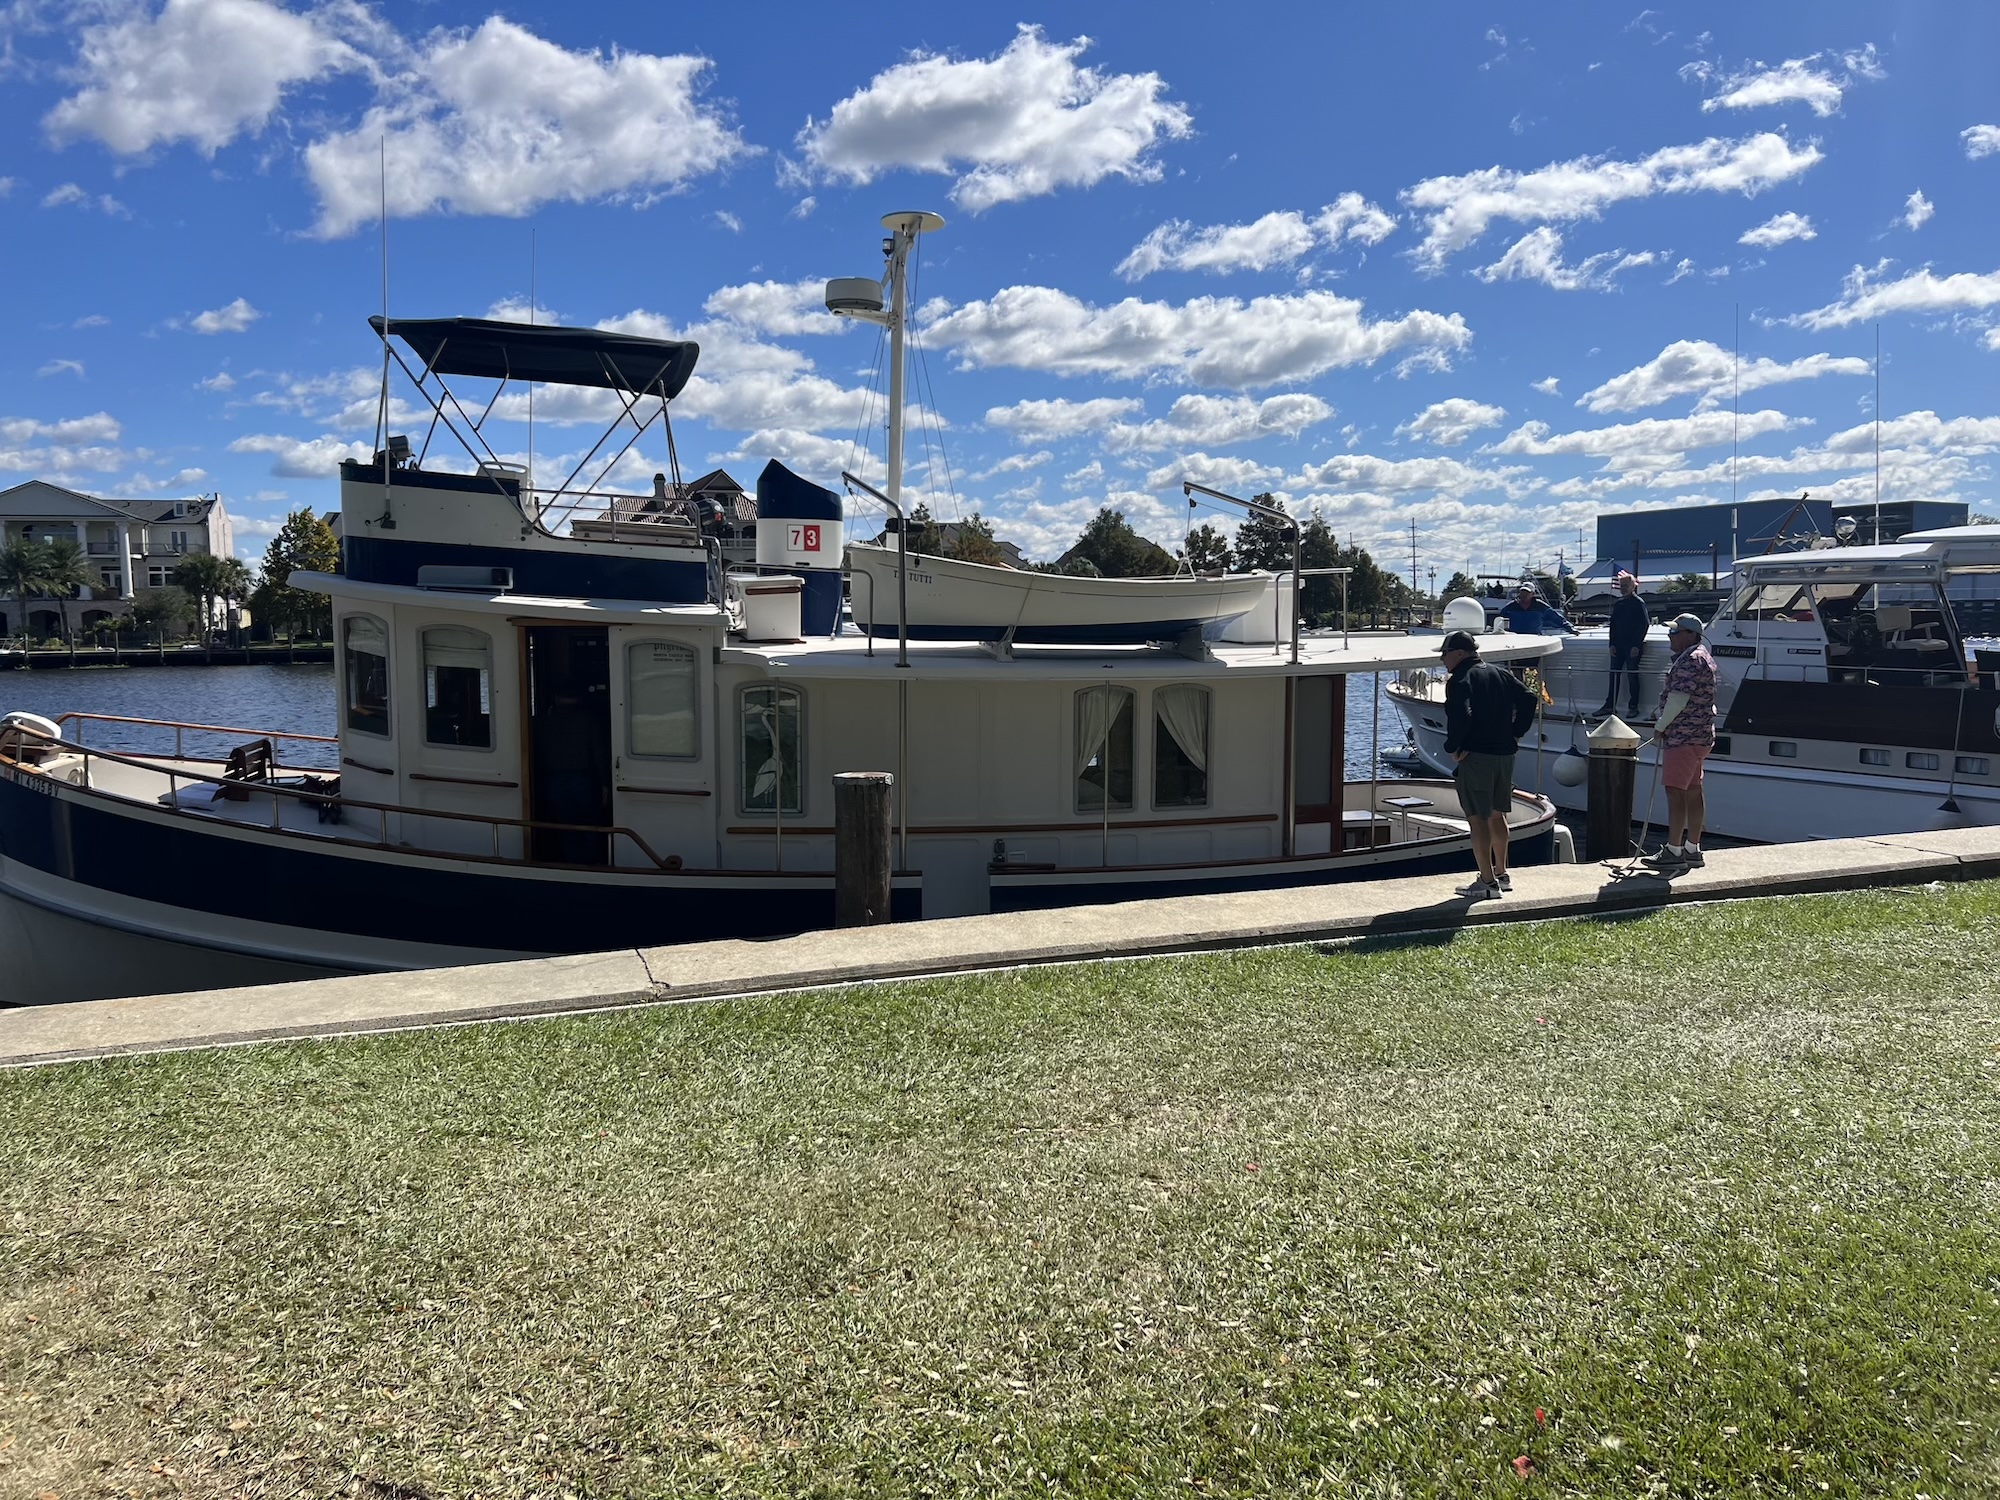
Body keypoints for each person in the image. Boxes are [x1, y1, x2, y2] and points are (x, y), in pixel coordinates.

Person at [1440, 629, 1540, 899]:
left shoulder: (1460, 679)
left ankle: (1487, 882)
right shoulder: (1500, 673)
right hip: (1505, 754)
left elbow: (1461, 715)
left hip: (1477, 756)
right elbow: (1529, 698)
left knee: (1478, 818)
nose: (1442, 660)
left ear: (1459, 654)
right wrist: (1515, 732)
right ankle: (1501, 873)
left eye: (1445, 654)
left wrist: (1454, 747)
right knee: (1498, 814)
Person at [1646, 612, 1718, 871]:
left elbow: (1678, 698)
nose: (1670, 635)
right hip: (1701, 736)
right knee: (1693, 790)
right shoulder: (1703, 656)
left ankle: (1674, 850)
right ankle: (1692, 849)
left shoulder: (1689, 660)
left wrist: (1660, 727)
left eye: (1675, 632)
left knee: (1675, 792)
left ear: (1690, 635)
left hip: (1683, 737)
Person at [1595, 571, 1649, 719]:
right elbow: (1613, 625)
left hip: (1632, 647)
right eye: (1621, 585)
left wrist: (1636, 645)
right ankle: (1609, 706)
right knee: (1613, 675)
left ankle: (1633, 707)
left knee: (1632, 676)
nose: (1623, 588)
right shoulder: (1618, 604)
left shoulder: (1638, 603)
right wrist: (1611, 644)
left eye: (1626, 585)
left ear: (1633, 586)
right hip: (1617, 646)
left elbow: (1644, 625)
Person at [1496, 581, 1578, 635]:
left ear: (1533, 594)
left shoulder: (1540, 606)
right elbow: (1498, 622)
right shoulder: (1510, 607)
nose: (1524, 594)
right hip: (1515, 640)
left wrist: (1571, 628)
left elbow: (1558, 619)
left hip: (1535, 640)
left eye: (1527, 592)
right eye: (1522, 592)